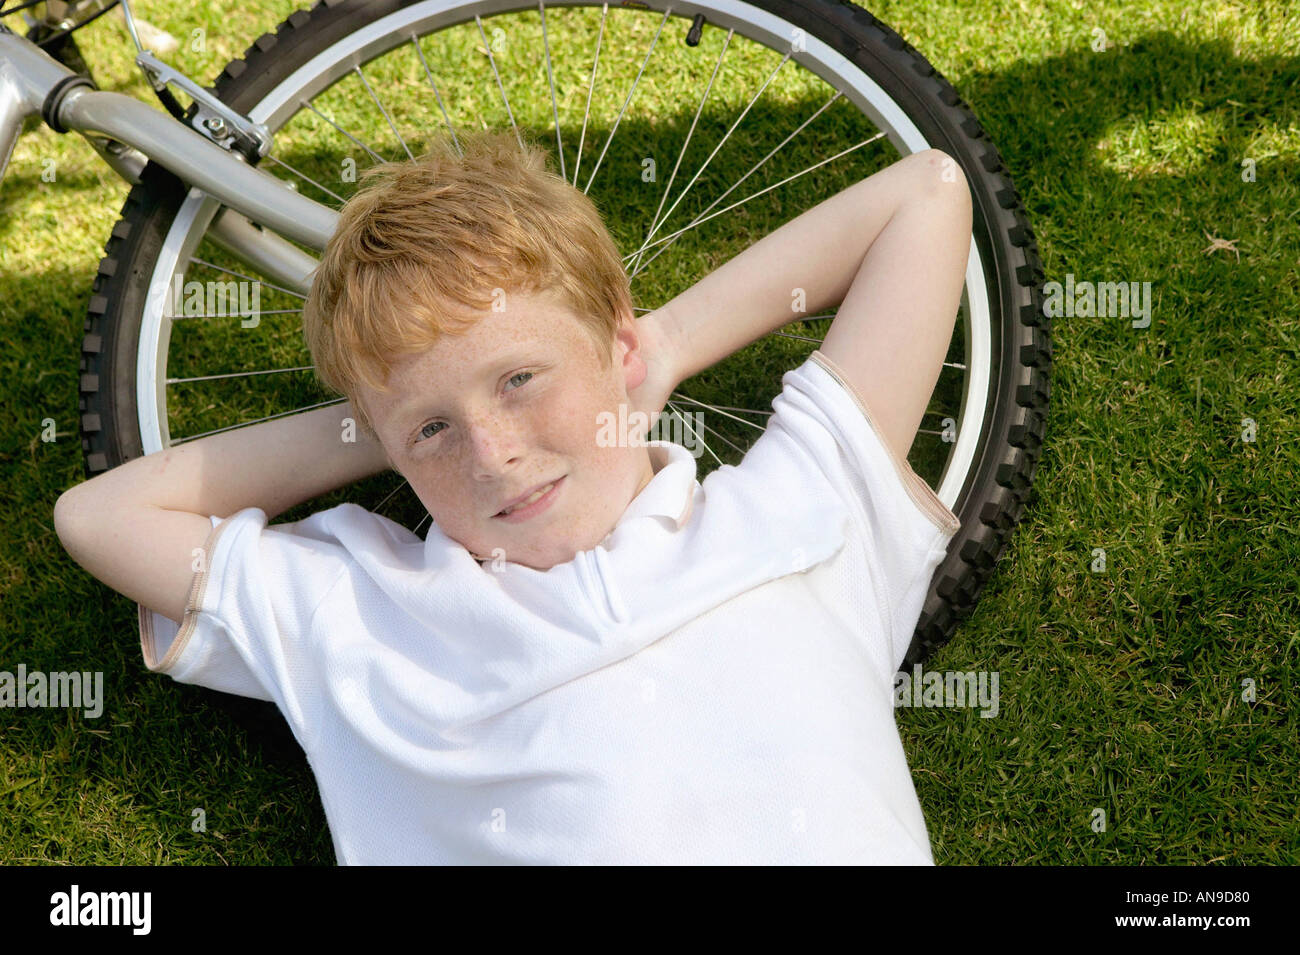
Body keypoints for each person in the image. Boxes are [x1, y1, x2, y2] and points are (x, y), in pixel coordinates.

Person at [53, 127, 971, 864]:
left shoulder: (798, 508)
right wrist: (376, 423)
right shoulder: (368, 616)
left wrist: (662, 344)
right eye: (435, 433)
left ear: (612, 346)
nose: (492, 456)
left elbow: (926, 195)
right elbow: (97, 517)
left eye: (520, 379)